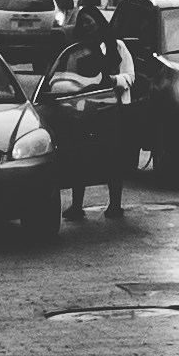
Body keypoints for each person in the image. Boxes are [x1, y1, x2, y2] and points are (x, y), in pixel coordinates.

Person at [43, 28, 136, 221]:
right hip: (83, 107)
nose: (89, 28)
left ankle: (115, 205)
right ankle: (77, 206)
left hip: (111, 108)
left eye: (91, 23)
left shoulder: (117, 47)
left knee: (112, 155)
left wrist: (112, 81)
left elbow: (130, 77)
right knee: (80, 155)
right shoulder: (79, 51)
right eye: (84, 23)